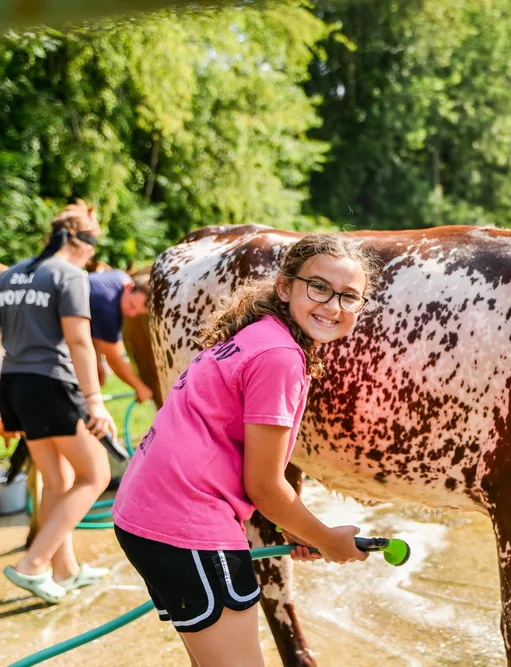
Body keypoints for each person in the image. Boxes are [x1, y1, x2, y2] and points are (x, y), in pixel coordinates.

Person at [112, 234, 378, 666]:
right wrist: (328, 540)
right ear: (285, 287)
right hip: (185, 525)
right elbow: (265, 486)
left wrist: (299, 530)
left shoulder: (262, 334)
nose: (333, 306)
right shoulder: (280, 357)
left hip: (149, 512)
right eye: (319, 288)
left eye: (349, 297)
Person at [0, 201, 117, 604]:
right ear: (80, 241)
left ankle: (65, 570)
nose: (93, 252)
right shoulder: (70, 275)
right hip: (51, 384)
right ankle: (32, 565)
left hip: (14, 384)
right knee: (95, 474)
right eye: (94, 243)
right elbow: (80, 341)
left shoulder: (11, 274)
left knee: (58, 479)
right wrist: (95, 400)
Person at [88, 269, 153, 402]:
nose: (131, 314)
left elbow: (94, 323)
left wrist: (97, 361)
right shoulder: (107, 308)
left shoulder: (120, 277)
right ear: (130, 287)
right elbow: (115, 360)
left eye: (138, 313)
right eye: (132, 306)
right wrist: (140, 388)